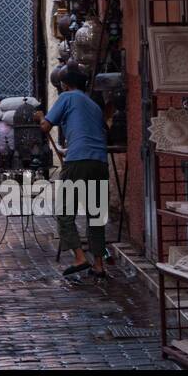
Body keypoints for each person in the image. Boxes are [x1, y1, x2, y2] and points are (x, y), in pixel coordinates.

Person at [39, 65, 110, 279]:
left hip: (78, 160)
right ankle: (99, 264)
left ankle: (80, 257)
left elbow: (45, 127)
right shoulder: (94, 105)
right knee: (96, 215)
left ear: (65, 84)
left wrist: (40, 117)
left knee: (64, 212)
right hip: (99, 161)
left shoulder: (66, 97)